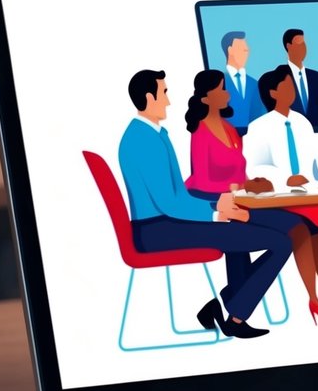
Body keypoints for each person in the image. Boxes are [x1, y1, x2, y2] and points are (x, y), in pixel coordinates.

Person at [118, 69, 291, 339]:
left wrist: (218, 206)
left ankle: (230, 308)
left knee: (239, 226)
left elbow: (178, 197)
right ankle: (232, 310)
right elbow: (168, 203)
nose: (168, 100)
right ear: (149, 97)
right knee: (281, 242)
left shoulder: (155, 134)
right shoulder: (142, 139)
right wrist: (214, 213)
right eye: (163, 93)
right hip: (157, 230)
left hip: (165, 222)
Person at [182, 69, 318, 326]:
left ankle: (231, 300)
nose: (228, 93)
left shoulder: (231, 130)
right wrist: (250, 184)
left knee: (308, 224)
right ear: (206, 98)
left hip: (251, 198)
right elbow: (204, 179)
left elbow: (247, 169)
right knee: (296, 231)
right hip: (217, 202)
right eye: (222, 89)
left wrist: (250, 184)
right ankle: (313, 300)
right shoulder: (206, 132)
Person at [252, 64, 318, 323]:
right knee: (303, 230)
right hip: (279, 198)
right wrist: (285, 179)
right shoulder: (259, 127)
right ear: (273, 92)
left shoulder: (303, 123)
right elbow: (254, 168)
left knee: (317, 236)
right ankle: (315, 299)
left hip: (309, 194)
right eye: (286, 86)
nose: (292, 90)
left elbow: (316, 164)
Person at [282, 28, 318, 128]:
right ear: (289, 46)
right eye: (299, 44)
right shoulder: (281, 77)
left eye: (304, 44)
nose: (303, 48)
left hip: (317, 135)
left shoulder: (316, 77)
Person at [219, 30, 265, 136]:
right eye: (241, 46)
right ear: (230, 50)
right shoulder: (219, 84)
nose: (246, 49)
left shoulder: (255, 84)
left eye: (246, 47)